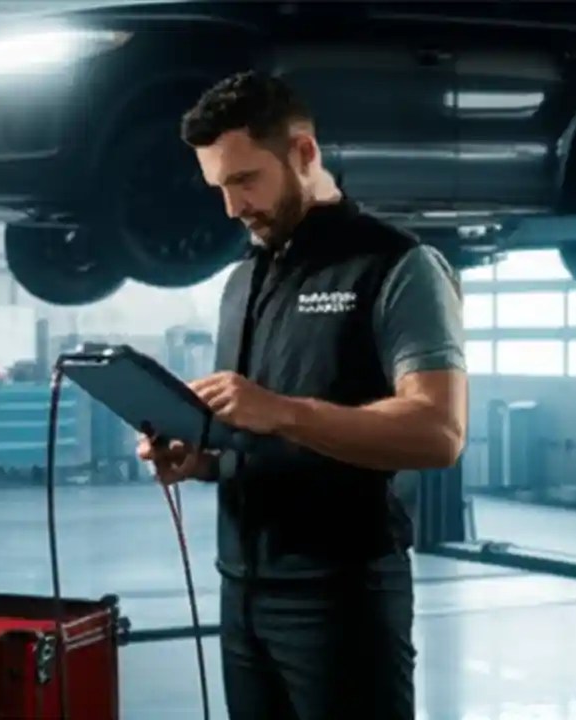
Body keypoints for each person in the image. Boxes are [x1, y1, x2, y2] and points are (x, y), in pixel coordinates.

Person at [137, 70, 467, 720]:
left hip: (340, 597)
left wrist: (283, 412)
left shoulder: (397, 268)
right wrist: (200, 458)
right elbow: (249, 433)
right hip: (242, 591)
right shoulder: (243, 282)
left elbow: (439, 431)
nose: (232, 207)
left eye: (245, 179)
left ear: (304, 154)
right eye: (219, 188)